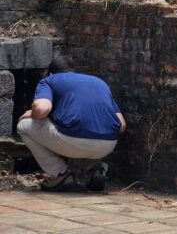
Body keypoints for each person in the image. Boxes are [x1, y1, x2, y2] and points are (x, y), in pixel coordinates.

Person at [17, 55, 126, 191]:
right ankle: (95, 168)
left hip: (72, 140)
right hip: (108, 144)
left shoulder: (49, 81)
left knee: (23, 126)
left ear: (51, 73)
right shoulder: (99, 82)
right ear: (73, 71)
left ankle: (61, 173)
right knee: (85, 129)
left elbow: (42, 109)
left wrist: (30, 113)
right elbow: (121, 125)